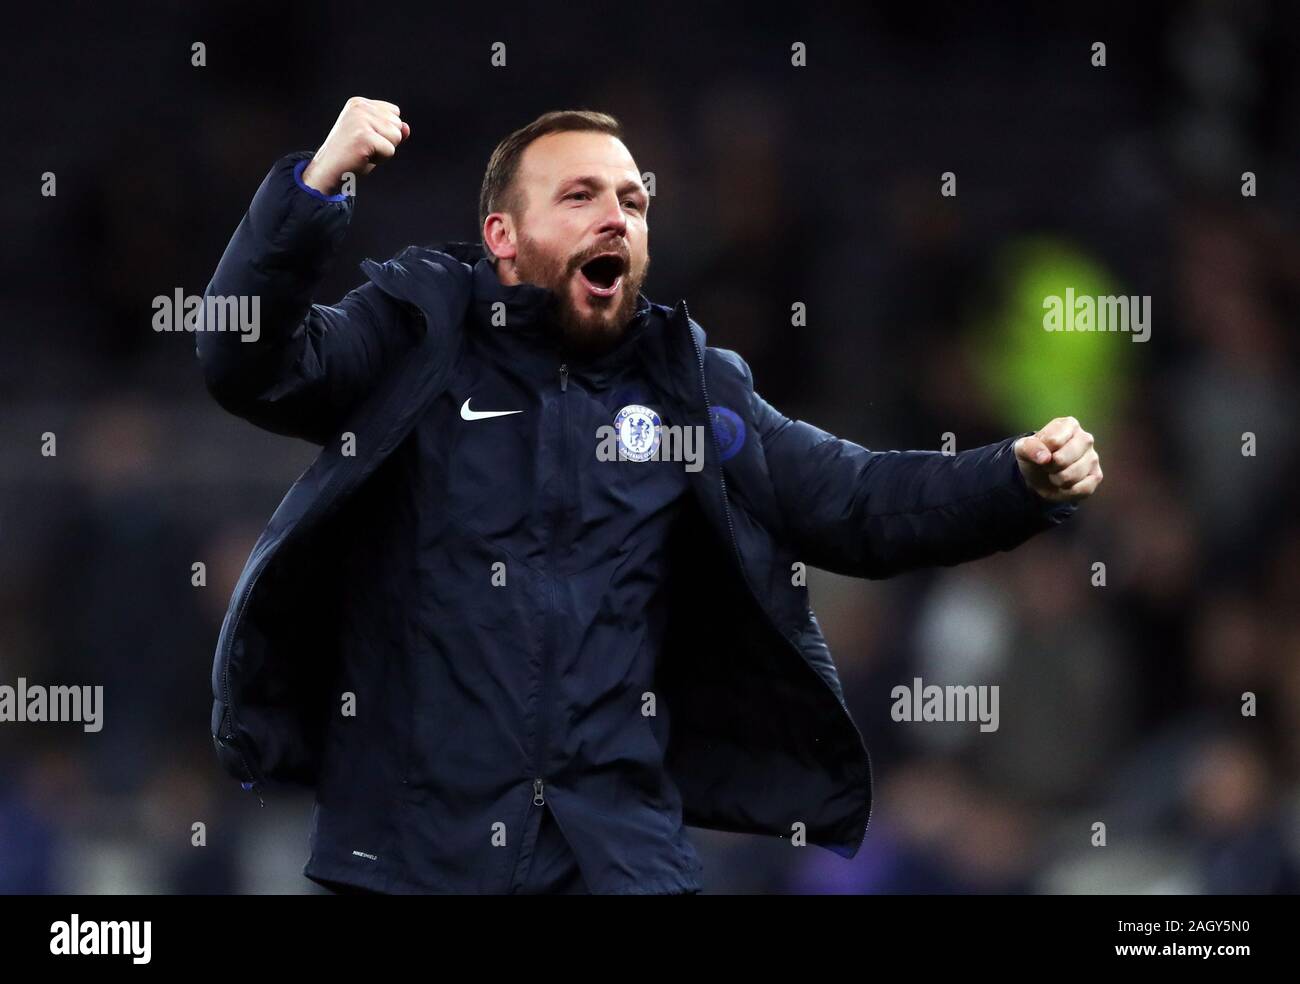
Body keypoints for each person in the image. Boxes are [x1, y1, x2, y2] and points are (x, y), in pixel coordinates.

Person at [196, 100, 1102, 895]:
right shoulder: (415, 334)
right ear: (502, 239)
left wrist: (1012, 480)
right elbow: (245, 362)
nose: (616, 218)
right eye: (580, 196)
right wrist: (313, 192)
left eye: (632, 202)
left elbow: (851, 502)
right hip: (414, 860)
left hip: (618, 862)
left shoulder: (688, 390)